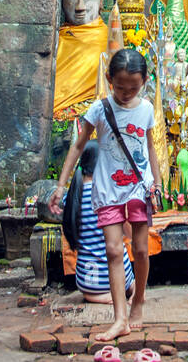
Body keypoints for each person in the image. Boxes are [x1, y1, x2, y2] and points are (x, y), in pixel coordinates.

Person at [50, 48, 163, 340]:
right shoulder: (98, 110)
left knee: (140, 249)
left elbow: (150, 147)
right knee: (113, 249)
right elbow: (78, 146)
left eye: (133, 88)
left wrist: (158, 183)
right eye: (119, 87)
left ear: (144, 81)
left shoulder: (147, 109)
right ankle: (120, 318)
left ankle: (137, 299)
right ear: (108, 79)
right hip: (107, 189)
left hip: (139, 187)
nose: (126, 93)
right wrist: (60, 186)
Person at [61, 141, 135, 304]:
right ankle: (128, 291)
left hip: (87, 282)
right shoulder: (109, 196)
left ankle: (96, 296)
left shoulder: (72, 198)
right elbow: (130, 234)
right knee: (128, 271)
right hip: (120, 277)